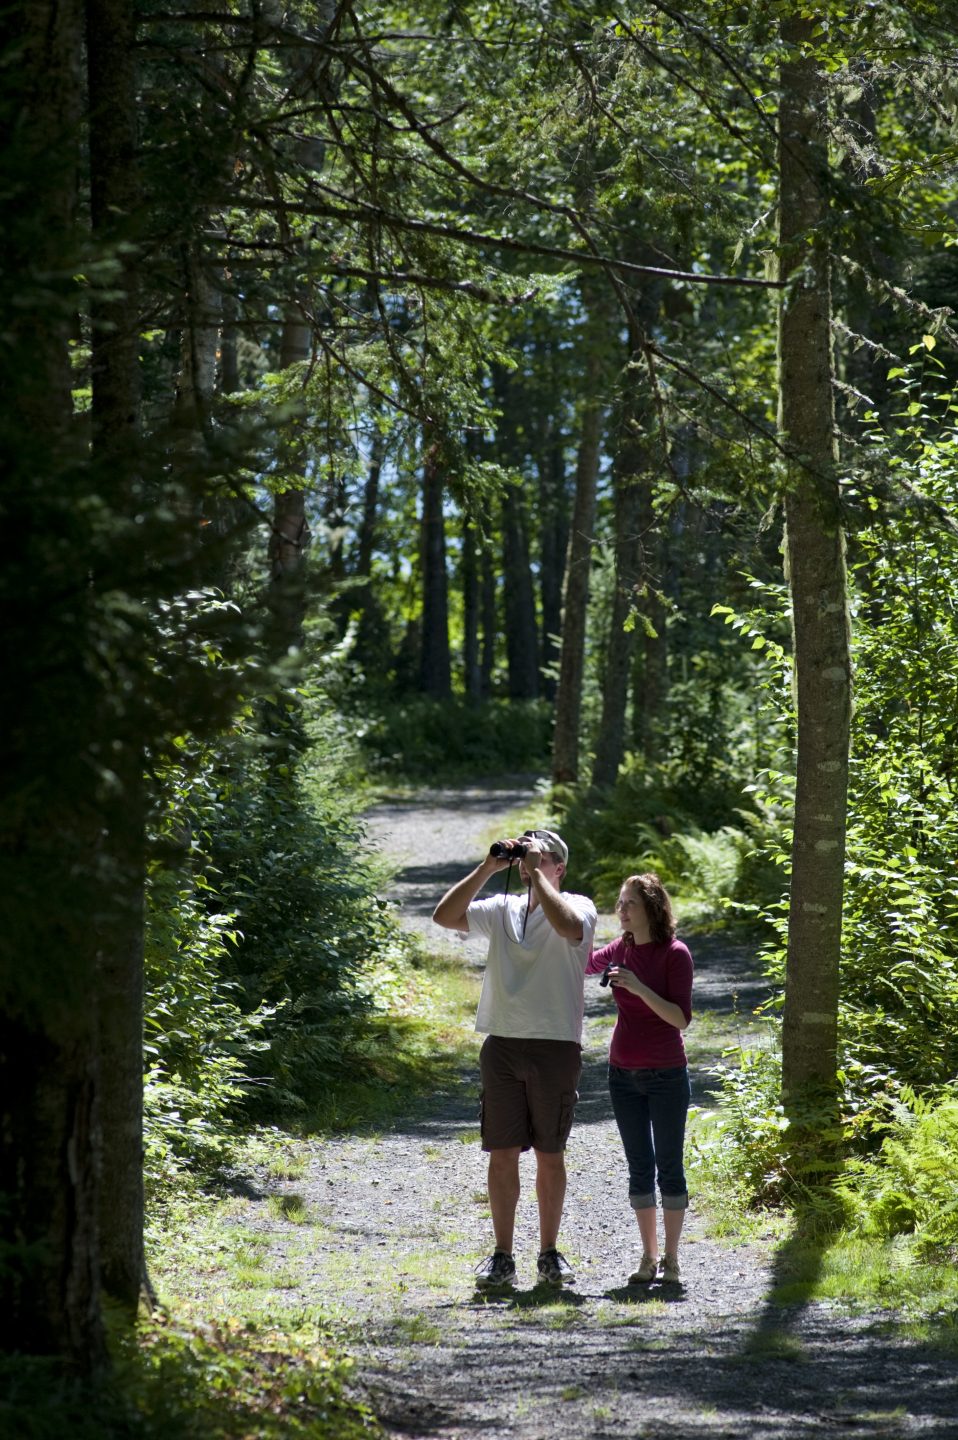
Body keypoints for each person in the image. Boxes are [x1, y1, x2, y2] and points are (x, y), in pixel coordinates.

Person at [433, 827, 597, 1291]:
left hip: (555, 1043)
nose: (527, 858)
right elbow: (445, 917)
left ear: (558, 867)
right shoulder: (502, 908)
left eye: (539, 853)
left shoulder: (579, 905)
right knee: (501, 1154)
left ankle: (549, 1252)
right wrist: (490, 867)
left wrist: (536, 873)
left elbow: (568, 928)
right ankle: (502, 1255)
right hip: (502, 1042)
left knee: (550, 1152)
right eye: (523, 850)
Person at [586, 872, 693, 1286]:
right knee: (638, 1167)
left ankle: (671, 1259)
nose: (621, 910)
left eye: (629, 903)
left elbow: (680, 1019)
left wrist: (639, 987)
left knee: (669, 1166)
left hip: (666, 1075)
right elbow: (582, 961)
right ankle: (647, 1258)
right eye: (619, 902)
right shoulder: (620, 948)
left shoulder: (675, 954)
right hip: (622, 1075)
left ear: (651, 908)